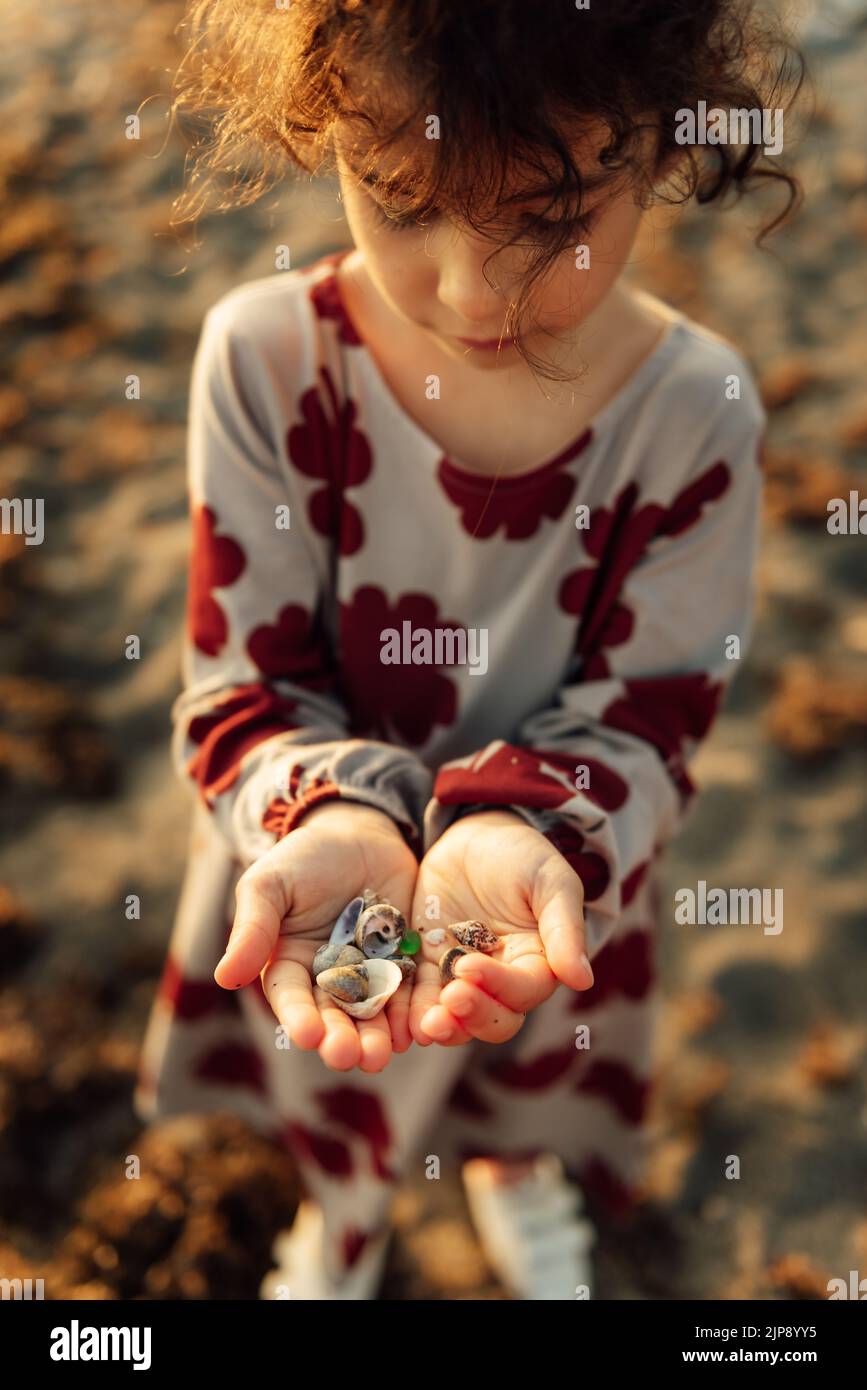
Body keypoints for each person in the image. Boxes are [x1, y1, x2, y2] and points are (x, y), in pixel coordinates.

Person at [136, 0, 803, 1299]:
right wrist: (333, 813)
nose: (466, 289)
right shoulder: (267, 363)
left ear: (662, 144)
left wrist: (527, 832)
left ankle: (510, 1175)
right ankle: (343, 1222)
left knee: (508, 1040)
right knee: (343, 1074)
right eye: (400, 199)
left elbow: (650, 719)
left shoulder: (693, 411)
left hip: (547, 879)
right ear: (325, 132)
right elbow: (239, 692)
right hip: (312, 851)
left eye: (552, 223)